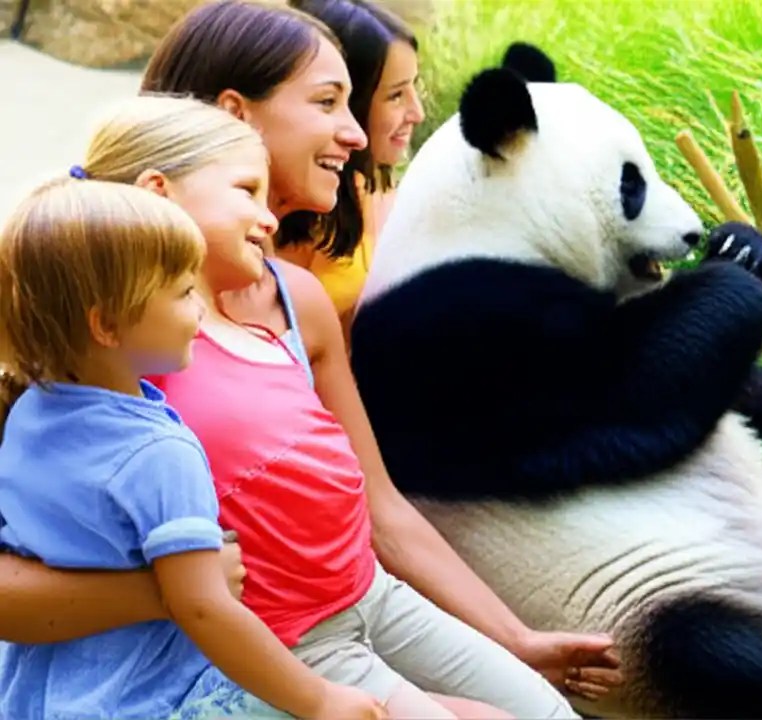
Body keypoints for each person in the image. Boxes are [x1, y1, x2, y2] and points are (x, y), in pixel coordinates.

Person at [140, 0, 621, 704]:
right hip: (255, 653)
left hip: (364, 593)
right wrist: (174, 592)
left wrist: (513, 638)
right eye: (330, 102)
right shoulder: (116, 321)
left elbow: (379, 503)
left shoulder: (297, 298)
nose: (356, 131)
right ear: (236, 113)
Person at [0, 174, 383, 719]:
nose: (200, 310)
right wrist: (320, 699)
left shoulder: (33, 411)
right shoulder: (158, 452)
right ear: (107, 324)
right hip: (160, 698)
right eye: (183, 292)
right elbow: (204, 607)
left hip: (47, 695)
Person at [276, 0, 426, 342]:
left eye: (415, 88)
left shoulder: (371, 189)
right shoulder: (294, 206)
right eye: (395, 96)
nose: (416, 112)